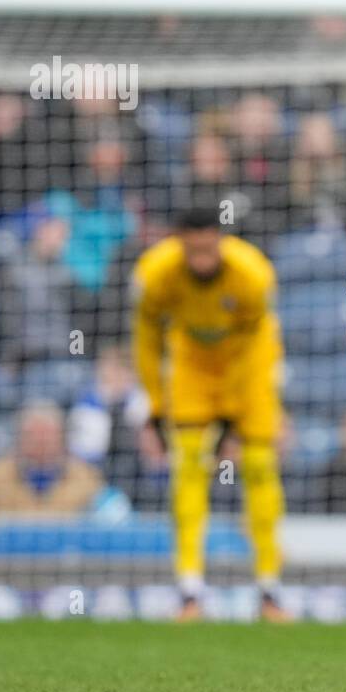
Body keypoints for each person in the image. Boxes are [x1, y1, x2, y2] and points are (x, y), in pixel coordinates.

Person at [132, 206, 288, 622]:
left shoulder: (253, 273)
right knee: (187, 468)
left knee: (258, 465)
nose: (201, 260)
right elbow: (146, 338)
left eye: (208, 249)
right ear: (178, 241)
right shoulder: (155, 273)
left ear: (221, 241)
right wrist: (154, 403)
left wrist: (235, 416)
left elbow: (260, 346)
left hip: (246, 365)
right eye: (192, 250)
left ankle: (269, 590)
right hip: (191, 366)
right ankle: (189, 591)